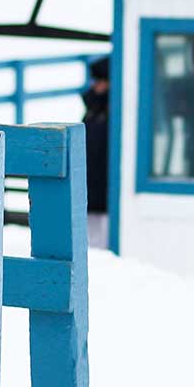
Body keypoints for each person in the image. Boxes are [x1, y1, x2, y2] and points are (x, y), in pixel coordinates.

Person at [82, 56, 110, 248]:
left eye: (102, 80)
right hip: (91, 183)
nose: (97, 85)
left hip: (106, 186)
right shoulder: (92, 108)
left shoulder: (113, 110)